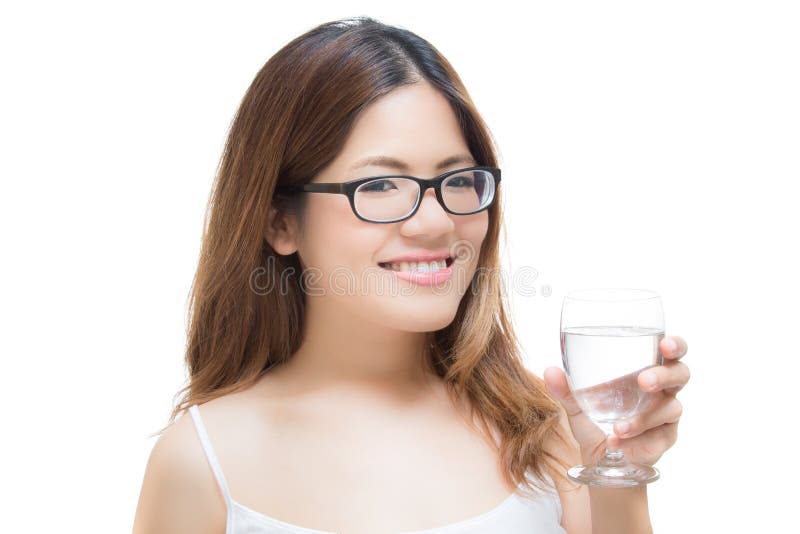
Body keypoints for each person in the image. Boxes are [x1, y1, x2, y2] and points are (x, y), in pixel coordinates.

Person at [132, 16, 690, 534]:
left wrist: (618, 475)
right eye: (377, 186)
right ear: (281, 221)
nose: (436, 220)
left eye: (459, 178)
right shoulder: (202, 461)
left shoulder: (546, 432)